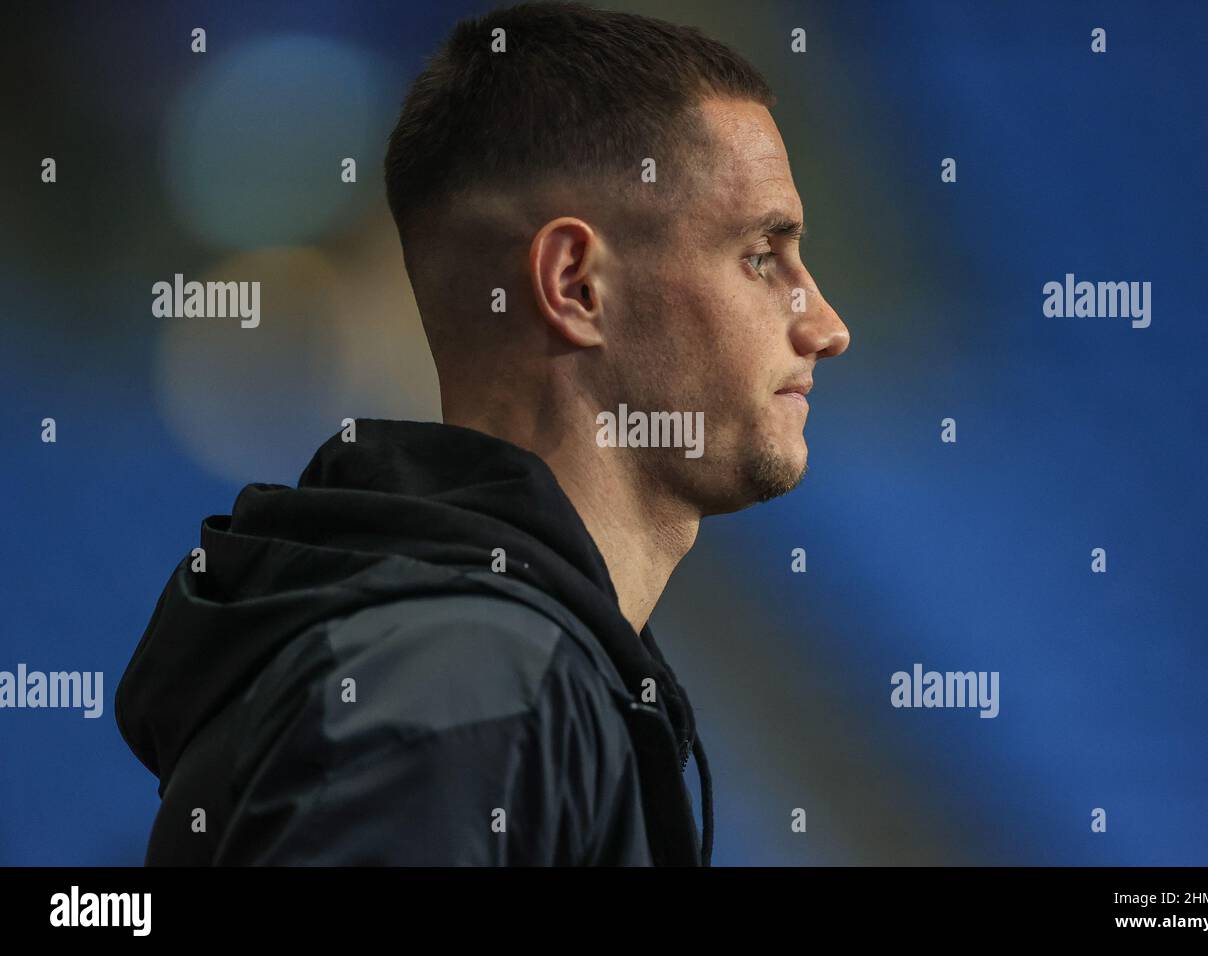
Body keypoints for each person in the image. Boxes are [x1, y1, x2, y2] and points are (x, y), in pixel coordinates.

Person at [115, 0, 850, 866]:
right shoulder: (466, 686)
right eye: (761, 257)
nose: (827, 326)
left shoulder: (490, 668)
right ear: (575, 286)